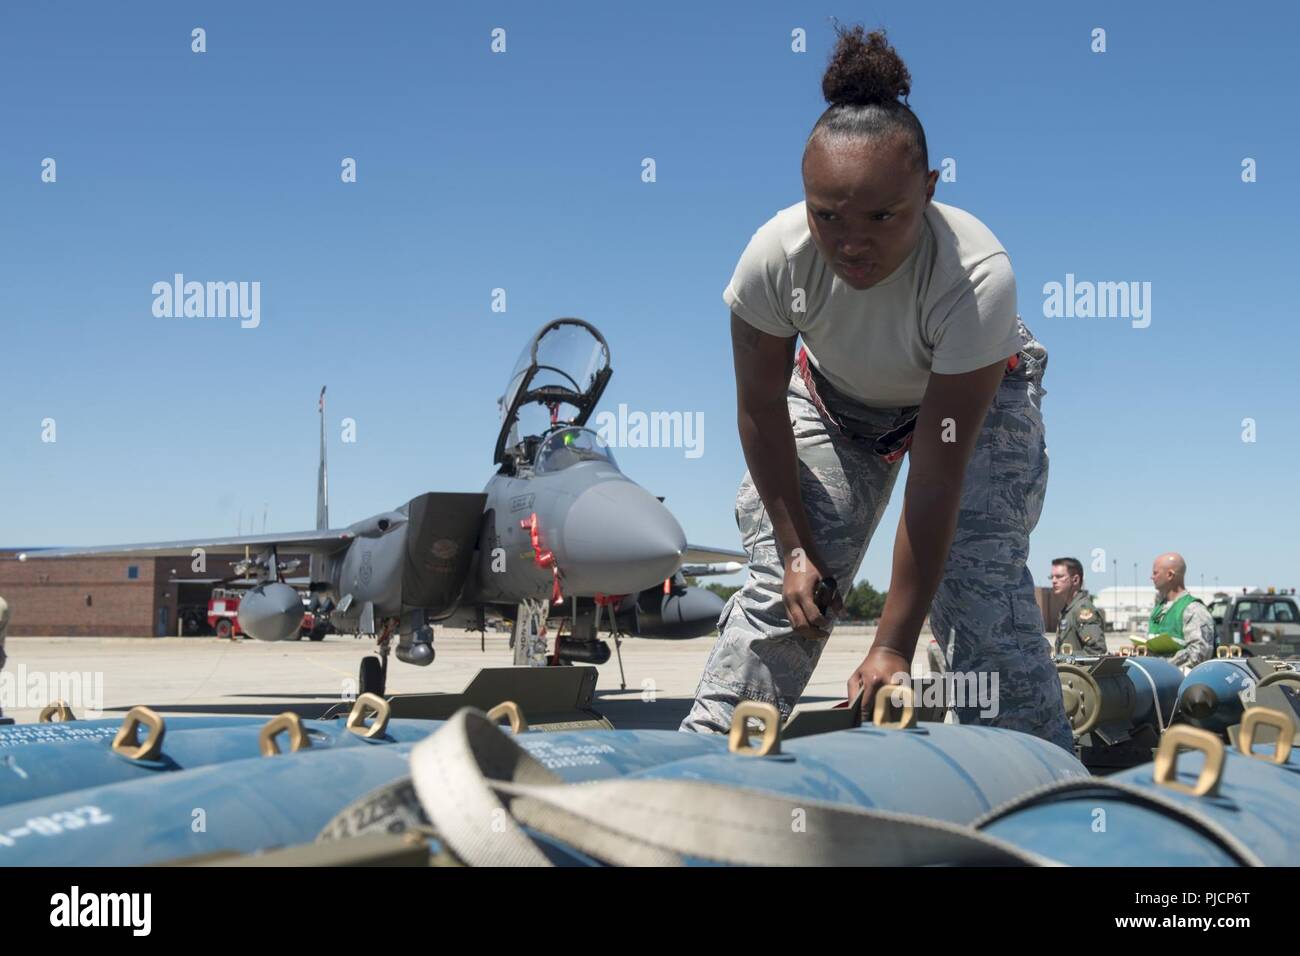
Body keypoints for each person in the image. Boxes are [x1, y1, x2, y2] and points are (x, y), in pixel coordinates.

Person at [679, 25, 1072, 751]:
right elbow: (760, 408)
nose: (851, 242)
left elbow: (937, 473)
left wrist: (891, 644)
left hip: (977, 408)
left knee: (973, 576)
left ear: (927, 191)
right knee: (787, 590)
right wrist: (796, 548)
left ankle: (1033, 769)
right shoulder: (774, 257)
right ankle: (708, 763)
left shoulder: (974, 276)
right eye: (826, 215)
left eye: (883, 216)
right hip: (840, 404)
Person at [1139, 552, 1213, 669]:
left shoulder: (1193, 609)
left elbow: (1200, 653)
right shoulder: (1159, 609)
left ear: (1169, 575)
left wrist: (1163, 666)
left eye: (1155, 573)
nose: (1151, 577)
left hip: (1178, 682)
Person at [1050, 557, 1108, 656]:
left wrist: (1064, 658)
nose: (1054, 581)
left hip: (1078, 671)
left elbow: (1097, 650)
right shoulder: (1068, 610)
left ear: (1075, 580)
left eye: (1059, 576)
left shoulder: (1083, 609)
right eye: (1052, 577)